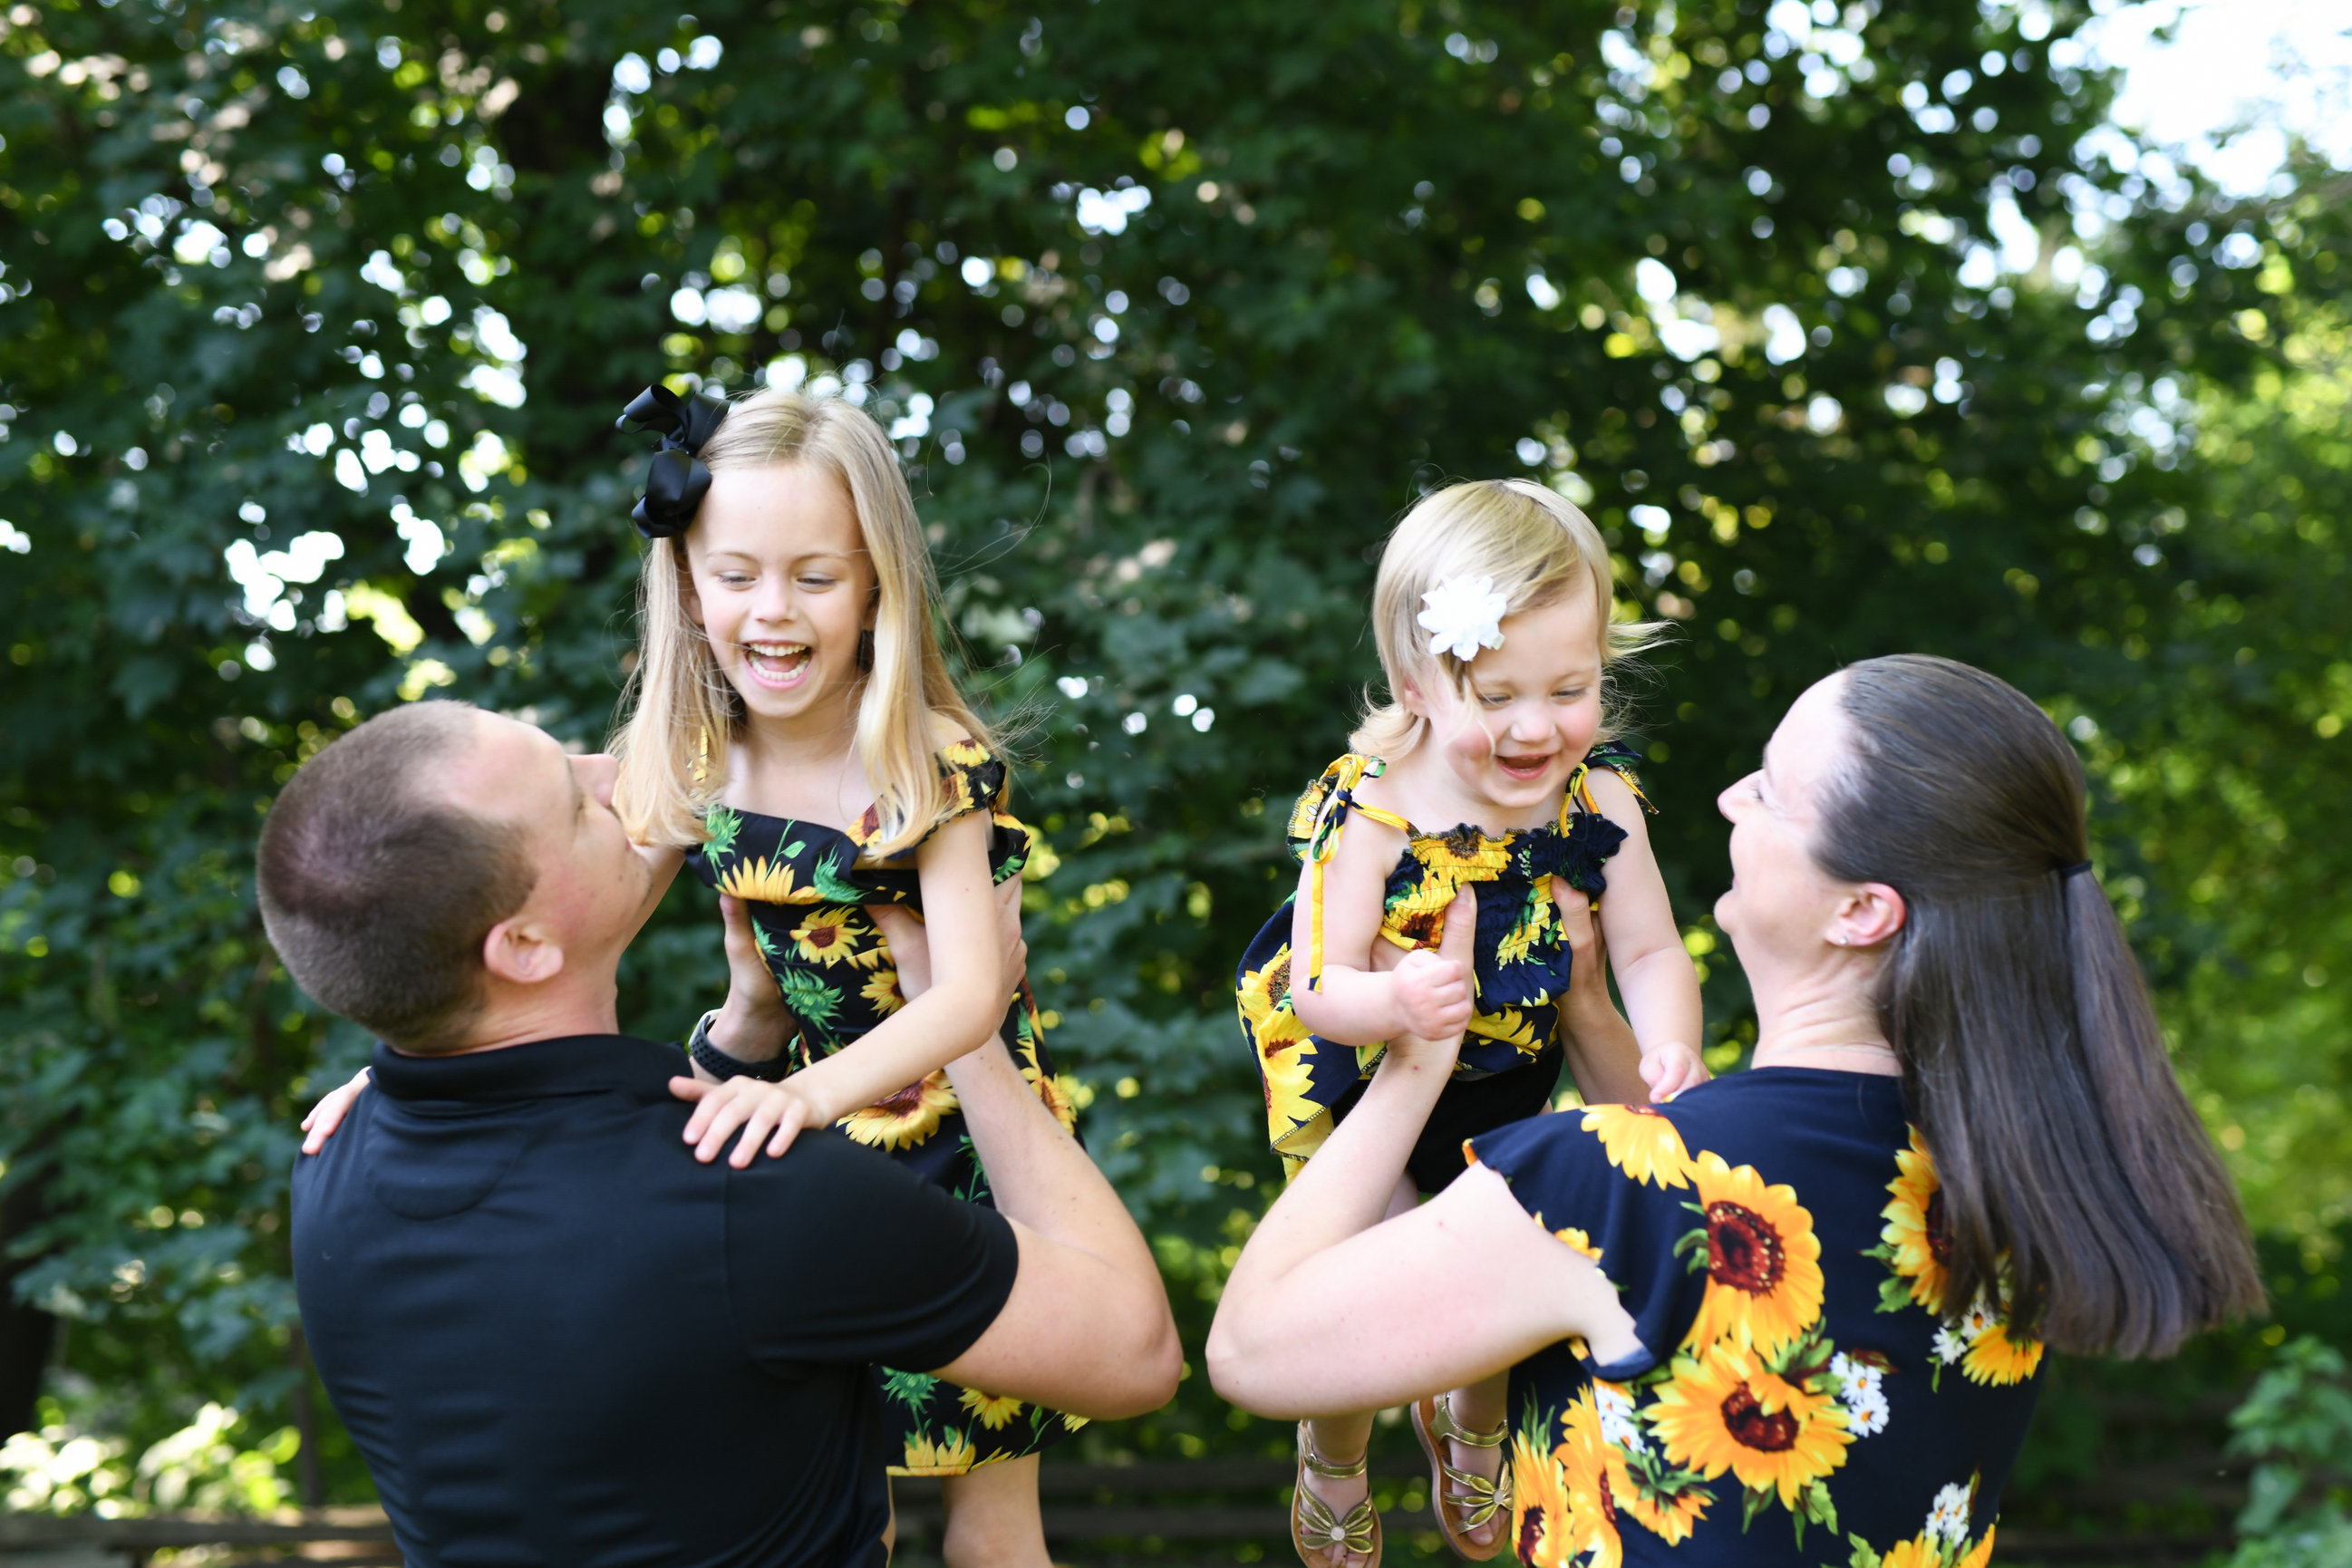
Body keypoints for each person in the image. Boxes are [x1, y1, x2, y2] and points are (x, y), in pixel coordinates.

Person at [1208, 654, 2264, 1568]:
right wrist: (1586, 1006)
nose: (1727, 797)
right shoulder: (2015, 1191)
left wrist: (1413, 1063)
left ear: (1860, 909)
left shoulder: (1612, 1184)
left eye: (1769, 790)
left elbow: (1254, 1349)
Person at [266, 702, 1179, 1568]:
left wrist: (744, 1037)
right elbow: (1135, 1351)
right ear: (525, 945)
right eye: (573, 797)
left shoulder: (330, 1169)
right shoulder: (755, 1194)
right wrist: (965, 1023)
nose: (609, 771)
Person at [601, 385, 1089, 1543]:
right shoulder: (689, 756)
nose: (772, 612)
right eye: (735, 575)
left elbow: (970, 990)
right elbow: (526, 903)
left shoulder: (925, 761)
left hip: (962, 1147)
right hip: (808, 1162)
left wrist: (803, 1092)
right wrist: (421, 1063)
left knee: (989, 1514)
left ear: (876, 584)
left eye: (815, 576)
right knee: (819, 1490)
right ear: (684, 581)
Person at [1232, 479, 1707, 1565]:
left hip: (1504, 1063)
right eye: (1497, 696)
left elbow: (1647, 948)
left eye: (1571, 687)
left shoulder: (1599, 800)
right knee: (1357, 1270)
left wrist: (1670, 1036)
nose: (1537, 727)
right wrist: (1395, 1002)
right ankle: (1334, 1448)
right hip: (1358, 1065)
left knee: (1495, 1244)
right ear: (1418, 683)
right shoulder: (1374, 808)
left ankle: (1473, 1428)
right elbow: (1317, 979)